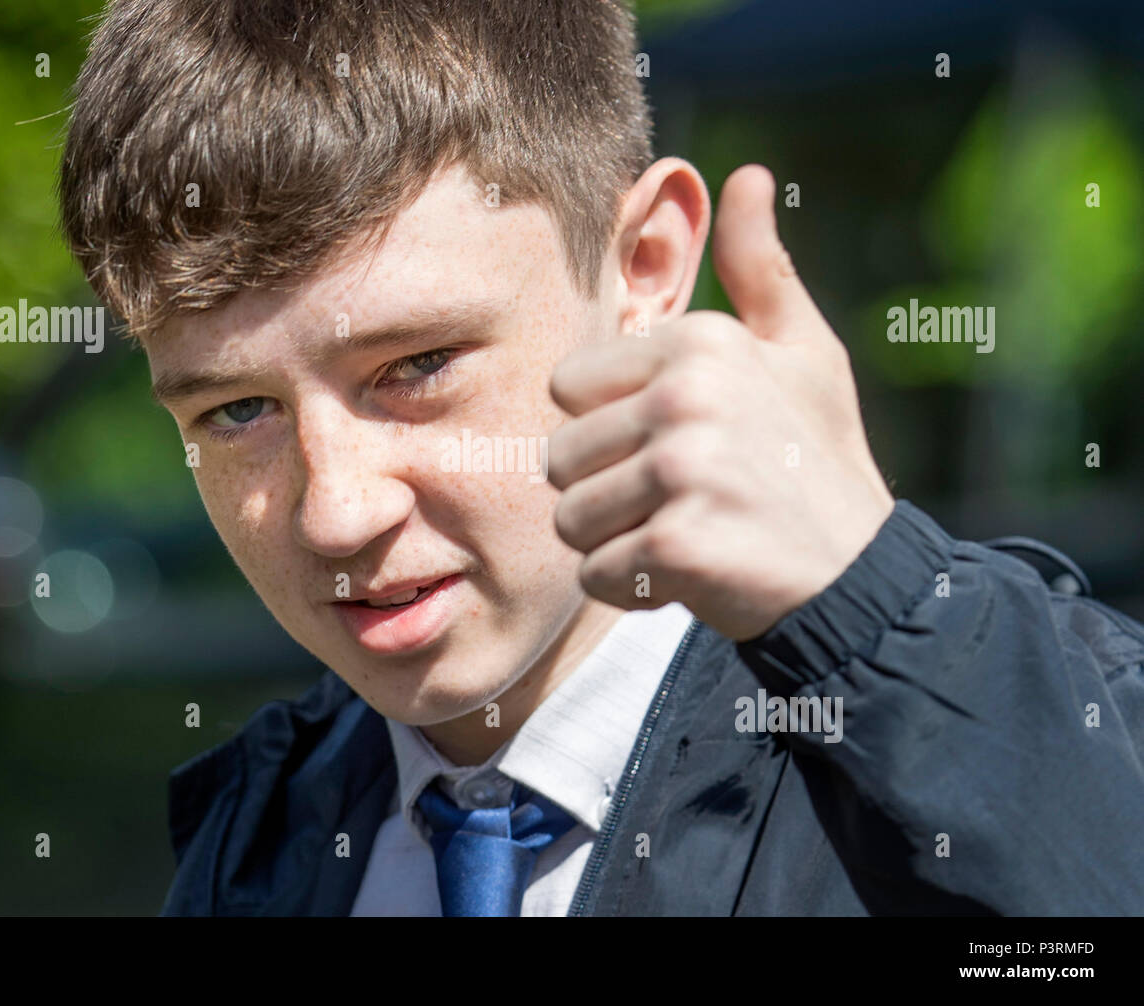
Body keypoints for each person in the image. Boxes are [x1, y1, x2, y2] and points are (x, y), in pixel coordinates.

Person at [57, 0, 1144, 915]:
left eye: (419, 363)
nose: (336, 515)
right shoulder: (263, 835)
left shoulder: (977, 750)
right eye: (237, 411)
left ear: (645, 264)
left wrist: (877, 611)